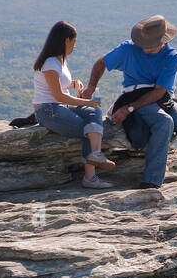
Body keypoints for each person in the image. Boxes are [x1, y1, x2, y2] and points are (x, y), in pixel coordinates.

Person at [82, 15, 177, 189]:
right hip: (133, 94)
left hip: (160, 97)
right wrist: (91, 86)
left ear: (162, 42)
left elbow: (159, 91)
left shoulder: (171, 56)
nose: (144, 48)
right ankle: (151, 181)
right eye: (143, 43)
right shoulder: (128, 49)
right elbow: (101, 62)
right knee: (164, 122)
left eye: (149, 45)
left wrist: (130, 109)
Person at [33, 21, 115, 189]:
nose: (75, 46)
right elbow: (58, 96)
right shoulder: (49, 63)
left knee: (93, 112)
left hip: (59, 107)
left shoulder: (59, 61)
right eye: (74, 41)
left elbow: (58, 85)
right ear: (66, 41)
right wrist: (86, 101)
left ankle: (96, 154)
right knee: (88, 129)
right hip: (49, 110)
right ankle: (90, 177)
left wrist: (73, 83)